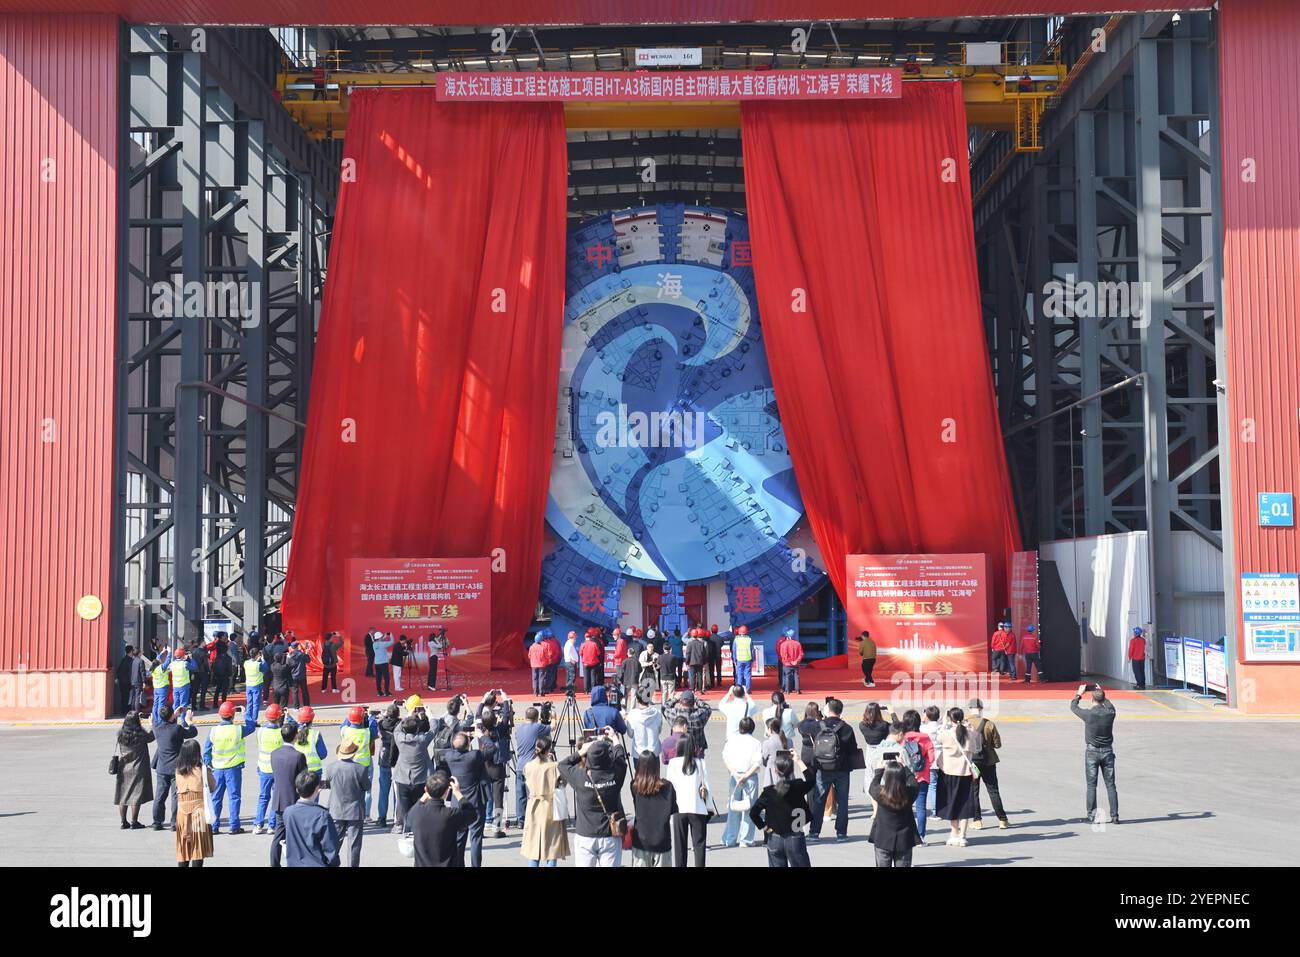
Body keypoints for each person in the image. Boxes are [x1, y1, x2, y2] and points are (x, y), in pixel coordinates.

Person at [558, 730, 628, 867]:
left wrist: (580, 752)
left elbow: (562, 765)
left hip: (585, 834)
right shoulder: (615, 775)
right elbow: (620, 758)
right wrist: (614, 739)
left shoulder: (579, 776)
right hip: (609, 834)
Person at [749, 751, 814, 867]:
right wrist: (799, 760)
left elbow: (753, 813)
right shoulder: (798, 786)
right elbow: (811, 780)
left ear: (775, 771)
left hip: (774, 838)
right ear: (791, 771)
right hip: (795, 835)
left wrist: (765, 827)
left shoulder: (769, 792)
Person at [202, 700, 257, 834]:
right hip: (233, 769)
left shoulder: (213, 731)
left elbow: (206, 751)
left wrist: (209, 765)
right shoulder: (238, 730)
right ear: (233, 715)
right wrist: (246, 714)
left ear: (220, 715)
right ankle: (234, 826)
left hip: (218, 769)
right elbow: (251, 727)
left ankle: (214, 826)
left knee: (216, 798)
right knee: (234, 797)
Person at [809, 697, 859, 842]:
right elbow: (853, 750)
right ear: (840, 711)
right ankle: (841, 833)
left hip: (822, 767)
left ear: (827, 710)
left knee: (819, 800)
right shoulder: (847, 728)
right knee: (843, 801)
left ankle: (814, 832)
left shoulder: (818, 726)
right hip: (842, 769)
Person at [408, 770, 479, 867]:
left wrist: (424, 797)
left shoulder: (416, 812)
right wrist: (458, 793)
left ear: (426, 789)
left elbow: (408, 817)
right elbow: (472, 814)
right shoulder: (450, 814)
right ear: (446, 792)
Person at [1071, 684, 1119, 824]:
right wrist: (1100, 691)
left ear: (1092, 699)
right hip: (1108, 751)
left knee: (1092, 785)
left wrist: (1079, 694)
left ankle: (1092, 815)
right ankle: (1115, 816)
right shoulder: (1110, 713)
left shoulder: (1088, 714)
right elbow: (1109, 704)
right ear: (1103, 700)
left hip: (1092, 752)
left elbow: (1073, 707)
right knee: (1111, 785)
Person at [934, 706, 980, 847]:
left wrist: (943, 724)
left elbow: (937, 739)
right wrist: (970, 726)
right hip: (965, 773)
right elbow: (977, 744)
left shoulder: (947, 733)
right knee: (964, 803)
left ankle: (954, 833)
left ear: (950, 718)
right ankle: (963, 835)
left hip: (948, 772)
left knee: (951, 802)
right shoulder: (970, 734)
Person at [520, 737, 569, 866]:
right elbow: (562, 784)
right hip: (550, 806)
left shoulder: (528, 766)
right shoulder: (553, 766)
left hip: (534, 806)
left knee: (533, 849)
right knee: (552, 848)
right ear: (548, 751)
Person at [664, 733, 711, 867]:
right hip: (697, 808)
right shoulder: (700, 762)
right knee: (699, 845)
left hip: (679, 809)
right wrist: (709, 808)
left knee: (680, 846)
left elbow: (669, 787)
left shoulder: (673, 763)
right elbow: (706, 786)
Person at [442, 731, 488, 866]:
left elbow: (454, 747)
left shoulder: (449, 756)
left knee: (459, 838)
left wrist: (463, 739)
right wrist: (479, 735)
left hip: (457, 801)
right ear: (469, 745)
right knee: (476, 837)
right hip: (475, 801)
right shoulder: (474, 756)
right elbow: (492, 748)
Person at [322, 739, 369, 867]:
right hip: (355, 811)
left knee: (334, 843)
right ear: (353, 754)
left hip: (336, 810)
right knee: (354, 845)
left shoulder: (331, 767)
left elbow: (329, 784)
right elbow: (366, 786)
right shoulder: (361, 769)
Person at [150, 704, 196, 830]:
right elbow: (192, 733)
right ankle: (174, 823)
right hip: (176, 766)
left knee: (160, 795)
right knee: (176, 796)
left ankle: (157, 822)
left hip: (162, 767)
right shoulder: (177, 728)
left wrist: (173, 715)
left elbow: (164, 724)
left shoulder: (157, 728)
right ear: (171, 715)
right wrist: (189, 721)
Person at [868, 760, 922, 867]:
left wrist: (879, 771)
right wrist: (906, 767)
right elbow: (915, 783)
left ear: (886, 777)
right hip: (904, 839)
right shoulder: (909, 793)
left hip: (883, 838)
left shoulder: (880, 793)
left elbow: (872, 786)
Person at [268, 721, 307, 867]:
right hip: (295, 801)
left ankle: (274, 864)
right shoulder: (298, 756)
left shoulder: (274, 754)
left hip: (279, 800)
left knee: (278, 836)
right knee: (297, 836)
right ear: (295, 736)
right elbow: (304, 780)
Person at [720, 715, 763, 847]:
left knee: (733, 808)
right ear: (752, 728)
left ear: (740, 728)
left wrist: (735, 774)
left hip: (735, 776)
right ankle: (746, 839)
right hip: (749, 777)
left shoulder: (731, 740)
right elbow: (757, 763)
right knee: (749, 808)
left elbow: (725, 758)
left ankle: (730, 839)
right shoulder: (756, 743)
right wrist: (745, 775)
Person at [629, 751, 677, 867]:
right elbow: (673, 809)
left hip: (641, 840)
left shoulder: (635, 786)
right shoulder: (667, 787)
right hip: (662, 840)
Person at [967, 698, 1009, 830]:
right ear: (981, 709)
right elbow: (998, 745)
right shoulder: (989, 724)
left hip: (973, 763)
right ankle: (1003, 820)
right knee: (993, 790)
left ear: (970, 709)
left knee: (974, 791)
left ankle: (977, 820)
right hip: (989, 762)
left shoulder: (965, 724)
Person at [393, 706, 435, 834]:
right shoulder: (422, 740)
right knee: (420, 809)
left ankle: (407, 831)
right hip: (420, 779)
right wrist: (430, 714)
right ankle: (418, 832)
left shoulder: (400, 739)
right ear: (417, 729)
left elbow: (397, 729)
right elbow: (434, 729)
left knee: (406, 811)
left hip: (403, 779)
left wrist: (408, 715)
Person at [283, 770, 340, 867]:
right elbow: (331, 850)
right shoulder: (322, 815)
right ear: (318, 789)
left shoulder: (288, 812)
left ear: (297, 789)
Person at [173, 739, 214, 867]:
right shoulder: (203, 770)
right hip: (199, 813)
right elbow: (212, 787)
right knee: (198, 848)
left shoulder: (178, 771)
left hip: (182, 814)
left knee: (183, 849)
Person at [512, 705, 553, 827]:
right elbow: (553, 727)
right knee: (533, 794)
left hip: (520, 765)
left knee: (520, 794)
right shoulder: (537, 727)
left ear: (525, 717)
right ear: (537, 718)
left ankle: (521, 820)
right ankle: (533, 817)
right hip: (532, 766)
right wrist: (553, 716)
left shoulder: (518, 729)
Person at [113, 712, 154, 829]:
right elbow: (151, 737)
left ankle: (123, 821)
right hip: (137, 767)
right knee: (136, 795)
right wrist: (150, 725)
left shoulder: (121, 735)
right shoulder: (140, 734)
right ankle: (134, 821)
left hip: (124, 767)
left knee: (123, 795)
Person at [252, 703, 287, 835]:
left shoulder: (260, 732)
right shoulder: (281, 733)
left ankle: (258, 824)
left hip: (264, 768)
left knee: (263, 797)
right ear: (279, 717)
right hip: (278, 770)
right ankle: (272, 825)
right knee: (276, 798)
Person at [900, 709, 936, 840]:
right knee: (921, 807)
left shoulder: (902, 739)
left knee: (905, 807)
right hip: (922, 777)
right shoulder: (925, 738)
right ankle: (920, 837)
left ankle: (905, 834)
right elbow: (931, 759)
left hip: (905, 778)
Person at [373, 702, 401, 829]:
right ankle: (397, 818)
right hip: (396, 758)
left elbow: (381, 720)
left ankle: (382, 817)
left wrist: (384, 715)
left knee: (383, 790)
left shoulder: (381, 725)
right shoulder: (400, 725)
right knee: (397, 791)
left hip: (384, 758)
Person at [662, 689, 712, 758]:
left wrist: (674, 699)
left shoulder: (675, 714)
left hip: (678, 751)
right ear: (693, 702)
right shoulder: (698, 715)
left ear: (680, 702)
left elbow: (664, 707)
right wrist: (697, 699)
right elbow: (707, 708)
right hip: (696, 752)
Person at [624, 689, 662, 765]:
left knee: (639, 777)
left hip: (639, 753)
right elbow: (659, 731)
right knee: (654, 777)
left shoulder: (632, 714)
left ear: (637, 700)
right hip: (654, 752)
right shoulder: (657, 713)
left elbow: (630, 734)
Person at [291, 704, 328, 776]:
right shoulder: (316, 734)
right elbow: (323, 754)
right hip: (315, 771)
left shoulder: (294, 733)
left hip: (299, 770)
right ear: (312, 720)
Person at [115, 645, 147, 715]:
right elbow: (140, 672)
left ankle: (128, 711)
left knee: (130, 697)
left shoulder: (127, 660)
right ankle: (129, 711)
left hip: (128, 682)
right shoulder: (130, 660)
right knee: (132, 697)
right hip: (127, 682)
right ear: (131, 651)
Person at [148, 647, 171, 725]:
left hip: (156, 689)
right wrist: (169, 652)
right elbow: (168, 661)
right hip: (162, 688)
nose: (161, 661)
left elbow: (157, 658)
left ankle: (155, 719)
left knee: (155, 704)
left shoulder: (153, 669)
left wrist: (162, 652)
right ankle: (160, 721)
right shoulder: (160, 668)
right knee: (161, 704)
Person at [168, 646, 195, 712]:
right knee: (183, 704)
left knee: (176, 704)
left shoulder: (172, 664)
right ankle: (183, 721)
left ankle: (174, 719)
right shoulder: (185, 663)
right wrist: (191, 658)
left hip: (175, 686)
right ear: (183, 655)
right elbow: (194, 666)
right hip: (184, 686)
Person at [778, 628, 804, 693]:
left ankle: (787, 690)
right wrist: (796, 661)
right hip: (796, 663)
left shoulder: (783, 644)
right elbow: (801, 654)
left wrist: (789, 661)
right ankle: (797, 690)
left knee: (787, 676)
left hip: (787, 664)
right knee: (796, 676)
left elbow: (783, 654)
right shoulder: (798, 644)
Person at [731, 625, 755, 692]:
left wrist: (734, 659)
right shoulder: (749, 639)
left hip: (739, 659)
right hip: (748, 659)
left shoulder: (736, 640)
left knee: (739, 674)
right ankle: (748, 690)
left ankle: (739, 690)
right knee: (748, 675)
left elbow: (734, 650)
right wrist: (753, 659)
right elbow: (752, 650)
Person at [684, 627, 708, 694]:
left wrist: (687, 662)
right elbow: (704, 654)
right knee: (700, 676)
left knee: (692, 676)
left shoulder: (690, 643)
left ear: (691, 635)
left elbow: (688, 653)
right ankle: (700, 689)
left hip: (692, 662)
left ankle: (692, 689)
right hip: (700, 662)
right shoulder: (701, 643)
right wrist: (704, 662)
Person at [211, 639, 233, 708]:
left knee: (217, 689)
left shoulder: (217, 657)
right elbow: (229, 668)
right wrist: (230, 674)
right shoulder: (228, 658)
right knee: (224, 690)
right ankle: (224, 703)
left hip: (218, 675)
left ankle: (215, 703)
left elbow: (214, 667)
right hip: (225, 675)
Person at [288, 641, 311, 707]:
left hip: (293, 676)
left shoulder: (289, 655)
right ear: (297, 646)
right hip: (302, 675)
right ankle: (306, 705)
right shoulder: (302, 654)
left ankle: (296, 706)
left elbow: (288, 665)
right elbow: (308, 661)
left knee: (294, 691)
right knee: (304, 691)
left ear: (292, 647)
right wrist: (307, 653)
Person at [655, 637, 677, 702]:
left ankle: (664, 705)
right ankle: (671, 705)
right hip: (671, 677)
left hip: (663, 677)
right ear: (670, 649)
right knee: (671, 693)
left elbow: (657, 666)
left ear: (663, 649)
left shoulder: (660, 657)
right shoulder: (673, 657)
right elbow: (675, 665)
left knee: (664, 692)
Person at [372, 631, 394, 696]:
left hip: (377, 663)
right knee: (386, 678)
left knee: (378, 678)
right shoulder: (383, 644)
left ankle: (379, 692)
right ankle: (386, 692)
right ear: (380, 637)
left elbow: (379, 641)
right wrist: (391, 635)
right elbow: (392, 641)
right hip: (384, 663)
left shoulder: (374, 644)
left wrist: (384, 637)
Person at [528, 631, 550, 696]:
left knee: (534, 678)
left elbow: (529, 656)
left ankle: (535, 692)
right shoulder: (543, 648)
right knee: (541, 678)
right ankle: (541, 692)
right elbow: (546, 656)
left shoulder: (531, 647)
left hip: (534, 665)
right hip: (542, 665)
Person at [189, 643, 210, 711]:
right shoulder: (203, 652)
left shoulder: (194, 652)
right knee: (203, 690)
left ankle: (193, 705)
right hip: (203, 672)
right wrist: (208, 670)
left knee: (195, 689)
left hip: (195, 672)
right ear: (201, 643)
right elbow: (206, 663)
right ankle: (202, 705)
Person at [706, 624, 724, 690]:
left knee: (711, 670)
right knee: (719, 669)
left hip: (711, 656)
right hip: (718, 655)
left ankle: (712, 683)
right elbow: (722, 644)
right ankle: (719, 682)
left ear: (711, 630)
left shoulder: (709, 638)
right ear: (717, 630)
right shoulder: (720, 638)